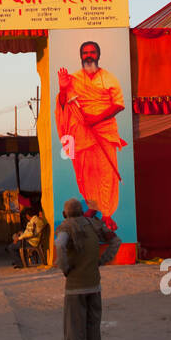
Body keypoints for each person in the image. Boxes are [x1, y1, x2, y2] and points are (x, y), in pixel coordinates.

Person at [55, 40, 126, 231]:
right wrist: (62, 88)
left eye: (92, 52)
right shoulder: (73, 79)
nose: (88, 55)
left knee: (107, 174)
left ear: (98, 55)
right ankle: (93, 207)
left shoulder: (109, 78)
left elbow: (118, 104)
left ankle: (108, 214)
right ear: (81, 56)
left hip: (104, 132)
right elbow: (63, 105)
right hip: (82, 134)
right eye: (85, 53)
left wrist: (96, 119)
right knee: (86, 175)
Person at [55, 198, 119, 340]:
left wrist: (65, 267)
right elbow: (115, 240)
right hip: (94, 285)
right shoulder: (94, 224)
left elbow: (59, 244)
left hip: (75, 287)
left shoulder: (66, 227)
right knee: (93, 328)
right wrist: (102, 261)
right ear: (82, 211)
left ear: (65, 213)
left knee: (75, 330)